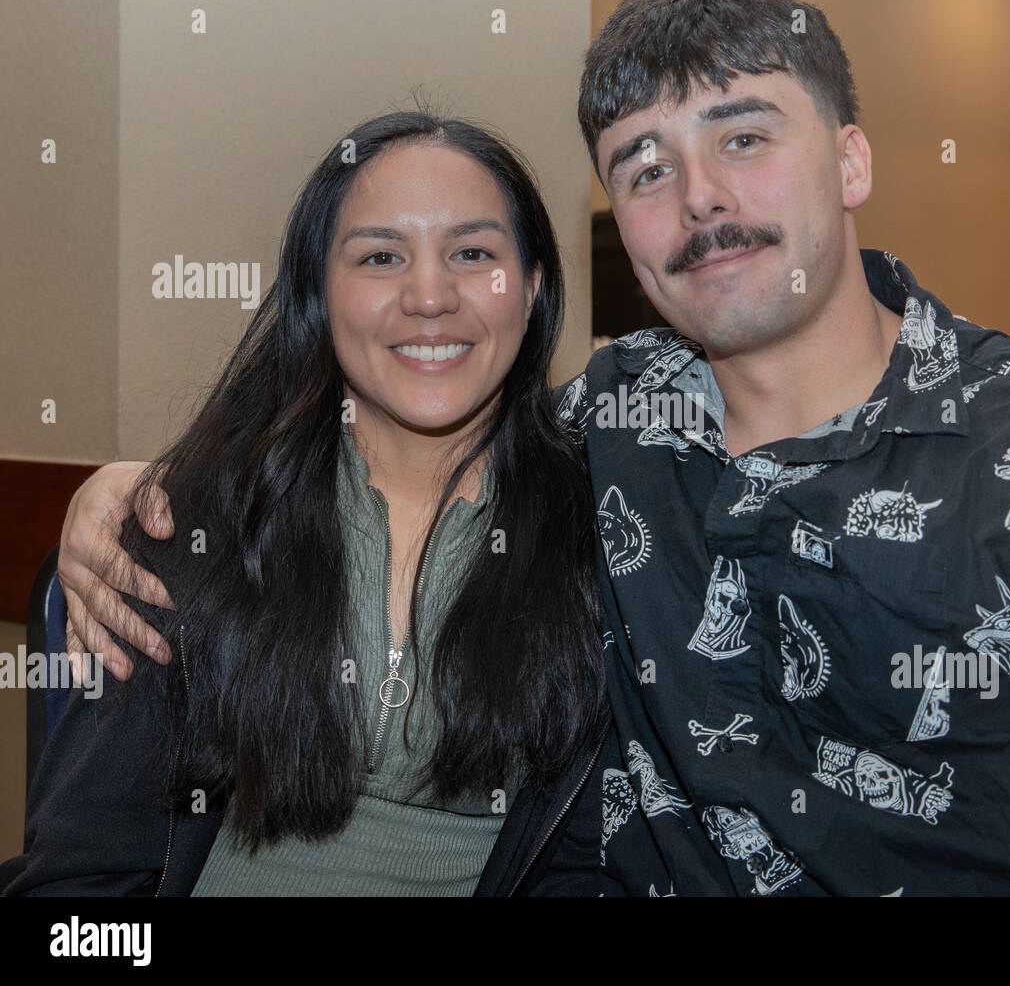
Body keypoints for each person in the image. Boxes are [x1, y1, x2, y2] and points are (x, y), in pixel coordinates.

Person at [53, 0, 1010, 896]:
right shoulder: (611, 424)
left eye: (744, 137)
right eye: (643, 167)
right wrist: (124, 489)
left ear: (850, 160)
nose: (699, 198)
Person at [3, 109, 607, 896]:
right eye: (381, 256)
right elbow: (75, 897)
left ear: (530, 287)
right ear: (319, 292)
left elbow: (586, 864)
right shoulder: (190, 527)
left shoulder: (606, 536)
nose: (430, 295)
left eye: (472, 252)